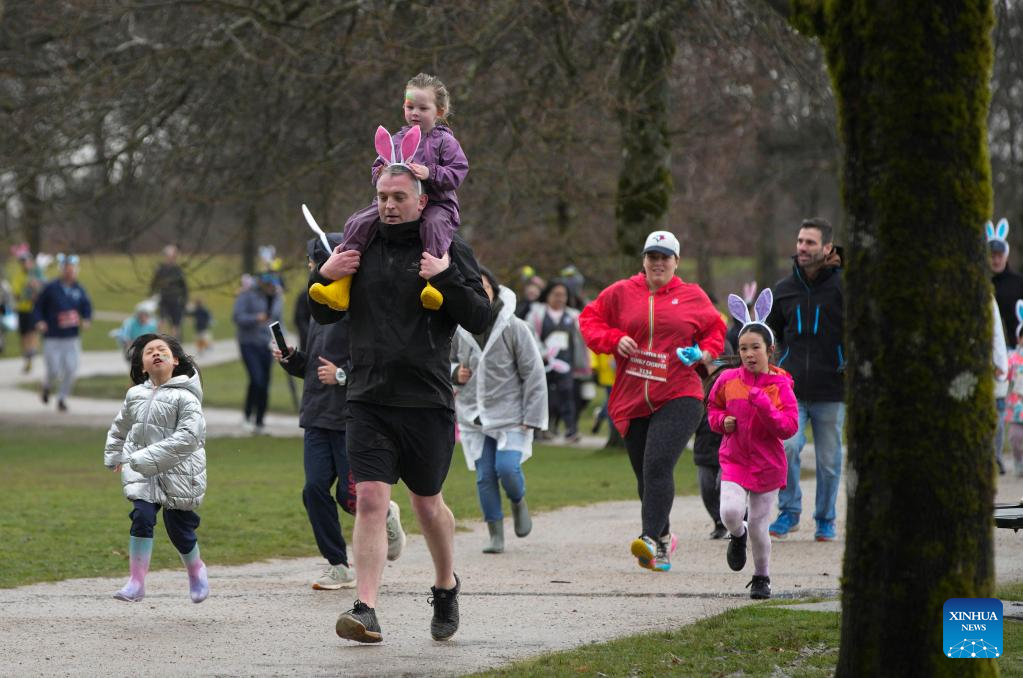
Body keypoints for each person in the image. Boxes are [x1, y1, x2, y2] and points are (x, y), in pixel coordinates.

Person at [308, 161, 489, 643]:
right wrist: (323, 275)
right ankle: (366, 607)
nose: (388, 205)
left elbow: (480, 317)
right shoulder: (360, 246)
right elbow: (320, 310)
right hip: (367, 396)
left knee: (427, 504)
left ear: (422, 200)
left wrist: (447, 278)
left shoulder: (448, 248)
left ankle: (446, 586)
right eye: (382, 196)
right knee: (370, 499)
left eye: (398, 198)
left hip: (426, 399)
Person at [579, 230, 726, 572]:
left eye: (665, 258)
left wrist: (705, 352)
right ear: (643, 261)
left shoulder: (692, 296)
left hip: (680, 392)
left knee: (658, 464)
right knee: (645, 477)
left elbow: (714, 330)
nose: (658, 263)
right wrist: (614, 338)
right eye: (652, 257)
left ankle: (647, 538)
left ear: (676, 262)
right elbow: (589, 320)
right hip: (632, 396)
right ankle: (663, 541)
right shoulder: (621, 292)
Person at [273, 235, 407, 590]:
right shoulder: (318, 308)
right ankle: (337, 564)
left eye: (312, 261)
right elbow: (315, 368)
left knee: (351, 497)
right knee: (313, 490)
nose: (310, 268)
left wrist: (343, 374)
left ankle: (387, 515)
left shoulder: (360, 304)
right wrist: (292, 359)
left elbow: (378, 360)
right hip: (316, 416)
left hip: (351, 417)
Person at [310, 73, 469, 312]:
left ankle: (432, 284)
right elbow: (377, 166)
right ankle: (342, 282)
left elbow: (458, 171)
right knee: (358, 221)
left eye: (423, 108)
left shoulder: (445, 143)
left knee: (433, 225)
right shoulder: (396, 139)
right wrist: (382, 172)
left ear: (439, 111)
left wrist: (430, 173)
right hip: (396, 201)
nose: (414, 113)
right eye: (409, 106)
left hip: (437, 203)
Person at [103, 333, 209, 603]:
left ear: (175, 360)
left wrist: (145, 458)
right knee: (142, 516)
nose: (156, 354)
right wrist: (115, 455)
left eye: (162, 350)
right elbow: (120, 428)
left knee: (179, 530)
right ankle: (136, 583)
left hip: (181, 473)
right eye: (149, 352)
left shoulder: (186, 398)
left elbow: (188, 437)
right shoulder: (135, 395)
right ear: (142, 366)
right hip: (142, 472)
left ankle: (196, 570)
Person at [708, 293, 798, 600]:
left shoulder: (781, 385)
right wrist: (722, 423)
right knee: (731, 512)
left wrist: (764, 406)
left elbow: (789, 427)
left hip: (767, 464)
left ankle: (762, 577)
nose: (748, 354)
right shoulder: (727, 380)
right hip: (734, 458)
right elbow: (712, 412)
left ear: (769, 350)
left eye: (755, 347)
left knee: (761, 526)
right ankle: (737, 534)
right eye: (743, 348)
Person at [451, 267, 548, 554]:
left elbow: (533, 373)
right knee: (484, 475)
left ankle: (518, 502)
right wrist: (455, 371)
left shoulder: (514, 327)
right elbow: (440, 360)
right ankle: (495, 534)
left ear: (493, 289)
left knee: (506, 468)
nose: (478, 293)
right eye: (471, 287)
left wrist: (533, 416)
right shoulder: (458, 327)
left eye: (483, 287)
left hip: (511, 414)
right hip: (474, 415)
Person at [765, 218, 845, 542]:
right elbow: (767, 334)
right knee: (786, 446)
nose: (802, 247)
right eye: (800, 241)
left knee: (828, 462)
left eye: (810, 242)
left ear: (827, 249)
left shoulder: (844, 288)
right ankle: (789, 512)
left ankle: (825, 519)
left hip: (832, 389)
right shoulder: (783, 290)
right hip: (790, 388)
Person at [525, 280, 588, 443]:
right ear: (548, 295)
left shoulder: (573, 316)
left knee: (568, 394)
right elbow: (531, 336)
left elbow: (580, 340)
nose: (560, 299)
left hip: (565, 364)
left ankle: (571, 430)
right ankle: (540, 430)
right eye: (556, 295)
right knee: (542, 395)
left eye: (563, 295)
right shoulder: (536, 314)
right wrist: (543, 353)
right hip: (542, 363)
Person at [33, 253, 92, 412]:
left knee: (71, 369)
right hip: (52, 336)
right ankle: (46, 385)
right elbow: (38, 307)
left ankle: (62, 398)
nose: (69, 272)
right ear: (61, 270)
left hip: (71, 337)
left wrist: (86, 318)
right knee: (54, 369)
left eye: (72, 270)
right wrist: (40, 321)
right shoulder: (51, 288)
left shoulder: (79, 289)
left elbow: (86, 306)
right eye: (66, 269)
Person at [693, 343, 735, 540]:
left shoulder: (727, 373)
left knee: (724, 484)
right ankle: (719, 521)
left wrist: (710, 359)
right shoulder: (696, 377)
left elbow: (724, 361)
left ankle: (735, 521)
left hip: (726, 441)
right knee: (707, 486)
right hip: (704, 442)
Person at [232, 272, 283, 434]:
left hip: (266, 344)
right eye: (268, 284)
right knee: (256, 379)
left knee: (265, 382)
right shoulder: (247, 295)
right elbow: (237, 317)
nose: (270, 288)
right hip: (248, 343)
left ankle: (260, 420)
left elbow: (278, 321)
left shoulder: (277, 298)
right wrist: (256, 318)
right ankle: (248, 415)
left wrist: (281, 342)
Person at [989, 218, 1023, 350]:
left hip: (1016, 350)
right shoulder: (982, 285)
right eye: (992, 256)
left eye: (999, 256)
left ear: (1006, 256)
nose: (996, 260)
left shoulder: (1018, 282)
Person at [10, 245, 44, 373]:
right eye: (23, 262)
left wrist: (37, 286)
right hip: (22, 309)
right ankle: (27, 358)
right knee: (23, 335)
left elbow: (44, 288)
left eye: (27, 261)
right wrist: (26, 288)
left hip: (33, 309)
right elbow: (16, 294)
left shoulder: (37, 274)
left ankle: (32, 352)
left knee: (32, 332)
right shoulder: (18, 276)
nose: (25, 264)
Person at [150, 245, 188, 338]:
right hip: (164, 299)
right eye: (168, 256)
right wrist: (152, 294)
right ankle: (160, 341)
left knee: (176, 324)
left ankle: (175, 344)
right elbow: (154, 283)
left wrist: (185, 299)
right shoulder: (161, 269)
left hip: (175, 300)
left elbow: (184, 286)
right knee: (162, 321)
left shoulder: (178, 270)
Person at [1006, 301, 1023, 476]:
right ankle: (1019, 461)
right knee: (1015, 437)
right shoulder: (1013, 357)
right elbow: (1005, 373)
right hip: (1017, 406)